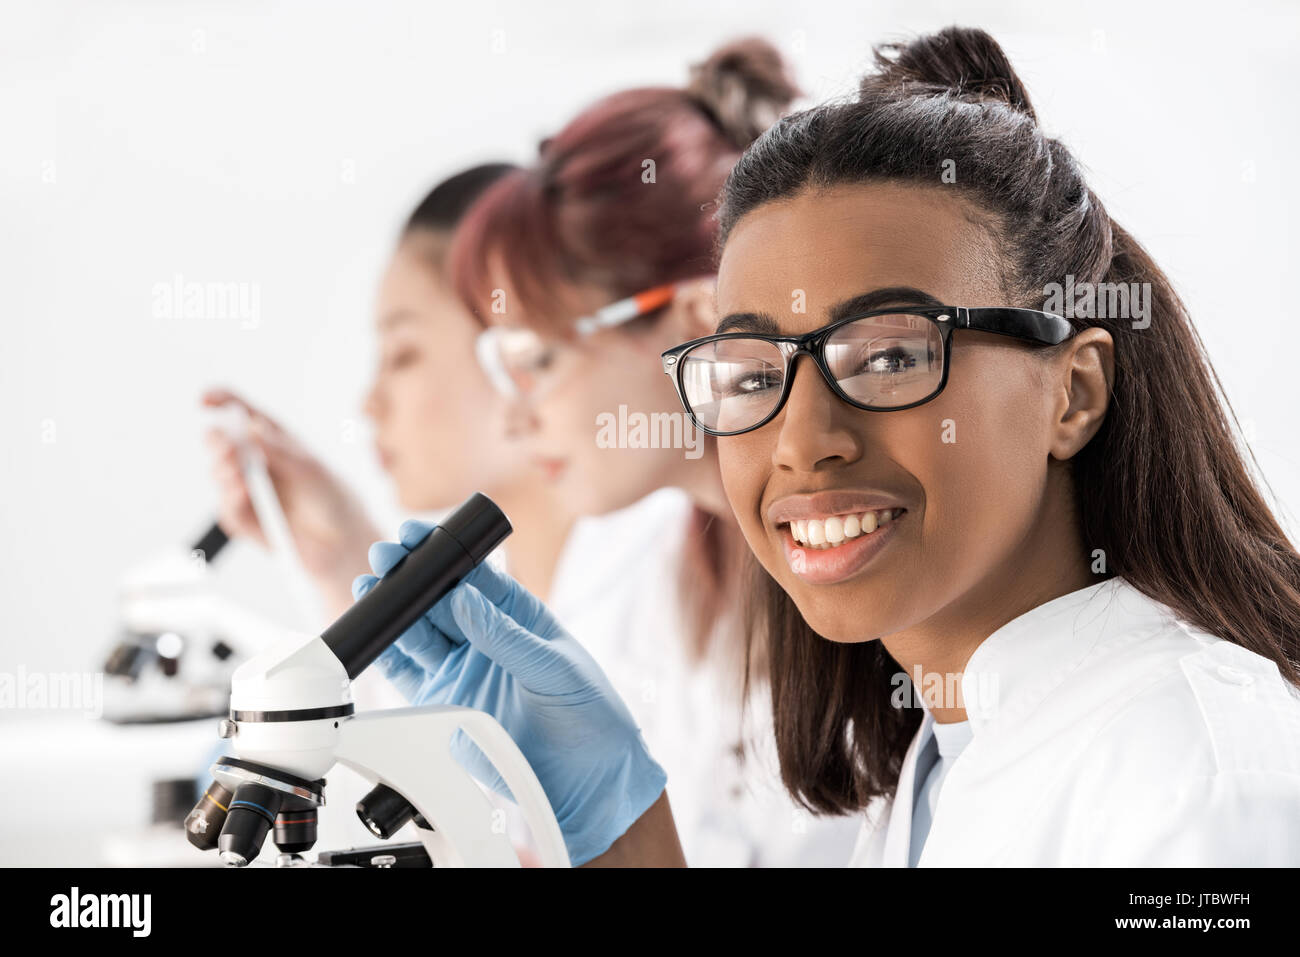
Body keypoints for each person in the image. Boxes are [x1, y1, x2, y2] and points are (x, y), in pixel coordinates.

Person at [356, 27, 1300, 867]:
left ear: (1072, 392)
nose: (804, 443)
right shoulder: (929, 761)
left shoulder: (1189, 762)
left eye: (890, 354)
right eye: (756, 373)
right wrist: (620, 826)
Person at [442, 36, 862, 864]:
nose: (513, 418)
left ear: (696, 320)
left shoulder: (872, 573)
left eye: (536, 360)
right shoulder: (625, 566)